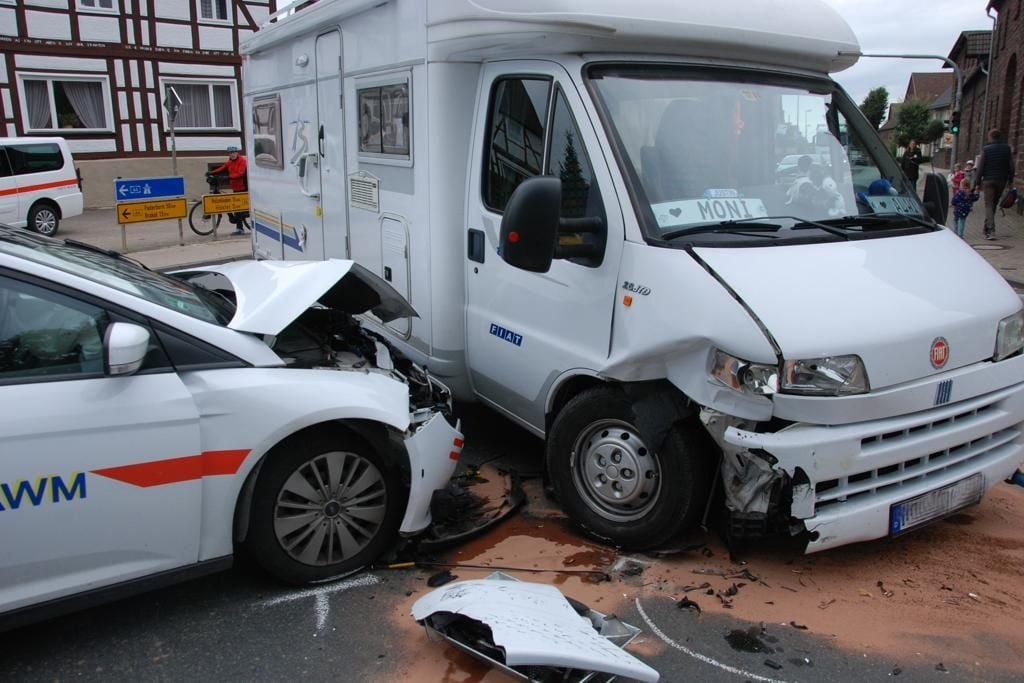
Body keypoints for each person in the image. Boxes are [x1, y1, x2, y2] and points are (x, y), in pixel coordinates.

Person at [973, 128, 1015, 240]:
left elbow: (980, 167)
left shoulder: (986, 149)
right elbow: (1011, 166)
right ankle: (987, 228)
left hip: (988, 181)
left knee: (989, 205)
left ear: (990, 137)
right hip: (1001, 180)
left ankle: (991, 230)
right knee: (993, 204)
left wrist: (977, 182)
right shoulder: (1007, 149)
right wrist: (1010, 180)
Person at [209, 144, 249, 235]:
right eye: (230, 153)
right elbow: (222, 168)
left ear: (237, 152)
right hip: (235, 187)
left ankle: (240, 229)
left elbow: (240, 173)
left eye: (233, 152)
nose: (232, 154)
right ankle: (237, 222)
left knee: (238, 209)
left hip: (242, 187)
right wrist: (211, 172)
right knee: (235, 207)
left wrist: (227, 177)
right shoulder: (230, 162)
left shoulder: (242, 161)